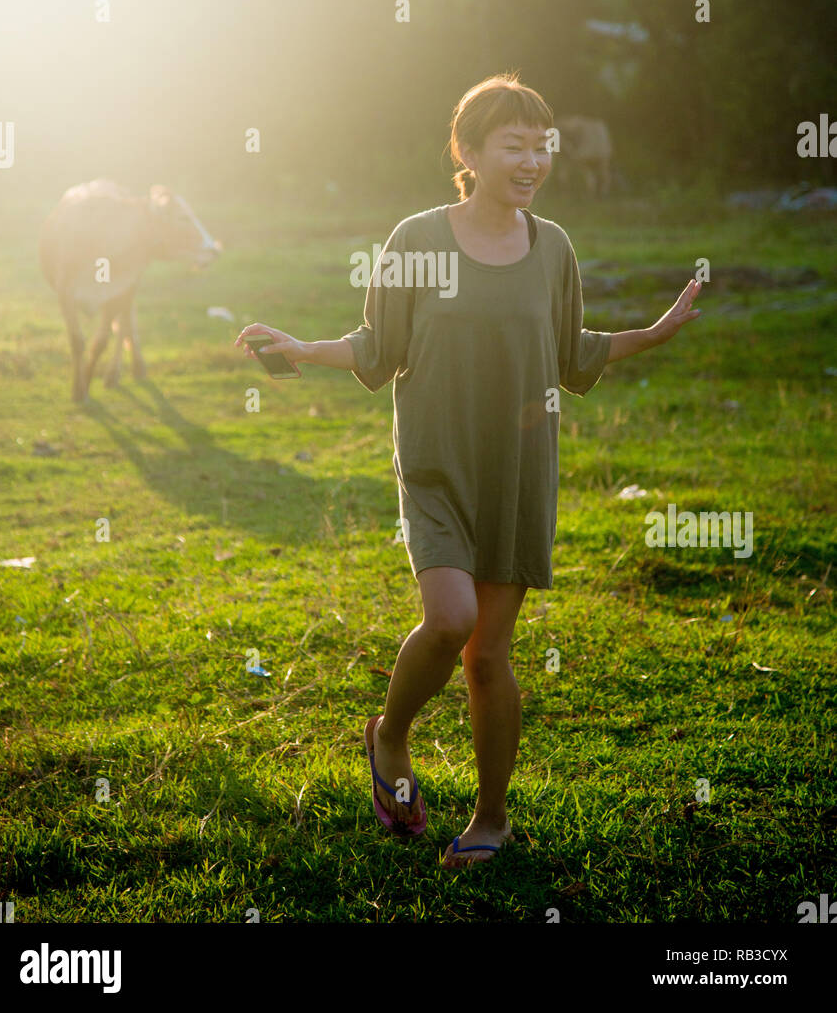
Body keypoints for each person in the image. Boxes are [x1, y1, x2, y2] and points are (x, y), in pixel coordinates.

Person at [235, 73, 702, 870]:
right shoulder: (417, 239)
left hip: (518, 470)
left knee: (489, 655)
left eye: (540, 146)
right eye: (513, 145)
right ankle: (389, 736)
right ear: (469, 151)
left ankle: (491, 819)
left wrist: (652, 335)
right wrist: (305, 350)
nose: (531, 160)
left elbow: (571, 351)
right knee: (450, 619)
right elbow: (379, 348)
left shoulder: (551, 246)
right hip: (436, 464)